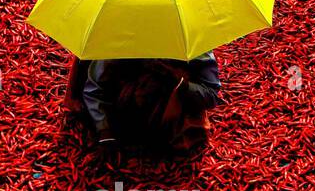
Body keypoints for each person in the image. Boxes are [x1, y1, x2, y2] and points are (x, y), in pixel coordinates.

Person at [65, 52, 222, 156]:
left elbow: (211, 95)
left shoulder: (192, 44)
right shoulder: (118, 36)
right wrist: (104, 130)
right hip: (123, 117)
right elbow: (94, 88)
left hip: (172, 123)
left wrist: (178, 81)